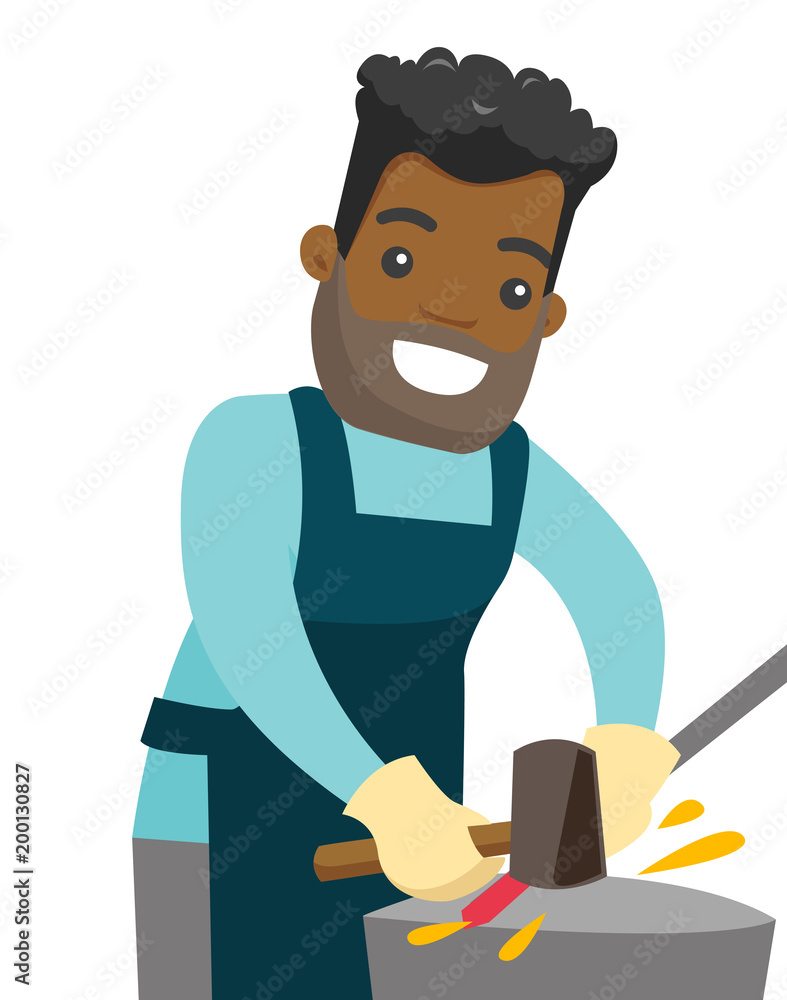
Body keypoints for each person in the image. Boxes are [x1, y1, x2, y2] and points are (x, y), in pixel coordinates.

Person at [131, 47, 680, 1000]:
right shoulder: (257, 444)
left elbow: (614, 589)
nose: (452, 312)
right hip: (225, 819)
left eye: (508, 291)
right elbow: (253, 636)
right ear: (324, 257)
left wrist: (626, 739)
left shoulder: (510, 471)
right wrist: (378, 792)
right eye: (400, 260)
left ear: (545, 315)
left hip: (425, 837)